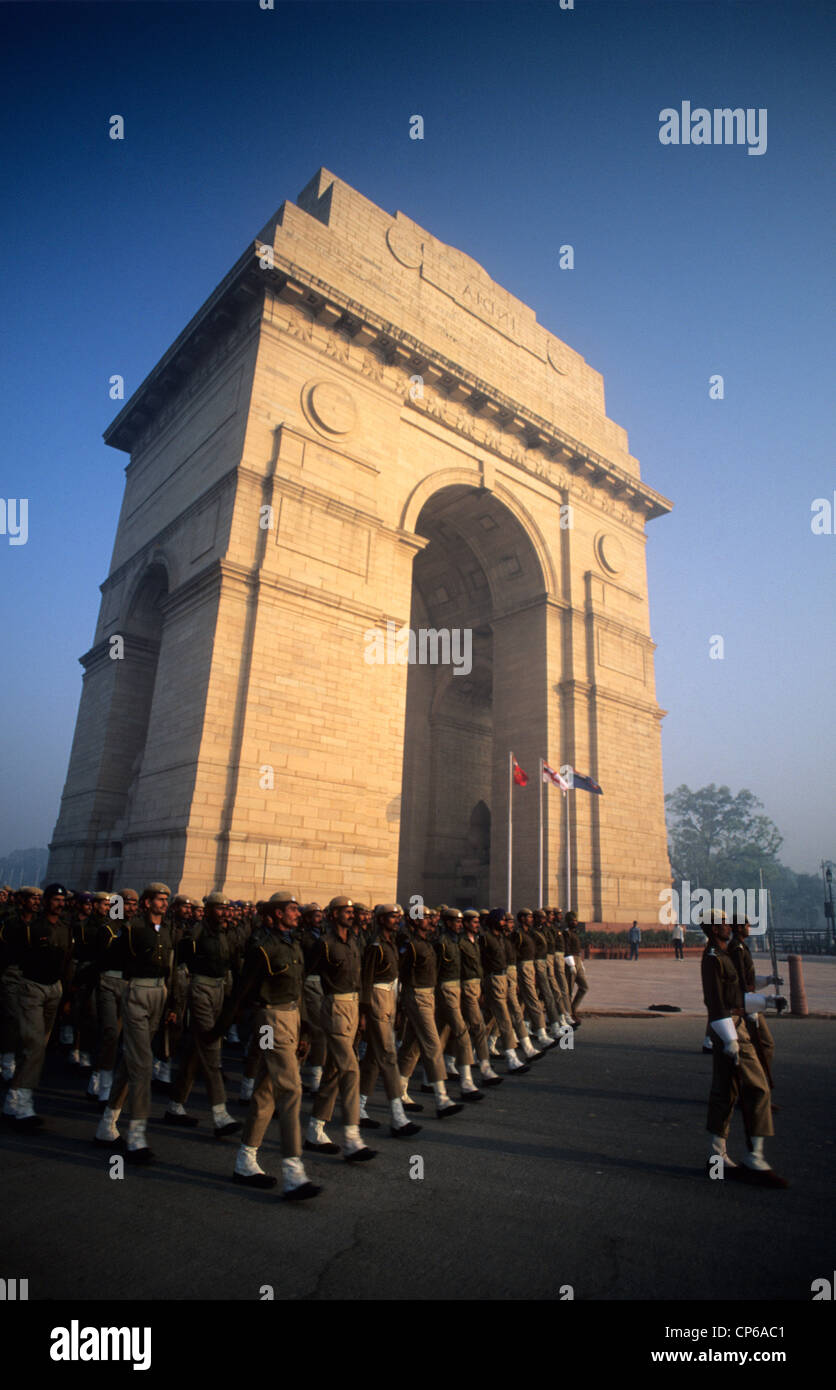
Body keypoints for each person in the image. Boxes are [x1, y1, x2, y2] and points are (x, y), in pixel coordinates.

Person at [222, 890, 321, 1200]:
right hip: (268, 1020)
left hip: (289, 1017)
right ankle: (293, 1170)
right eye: (292, 909)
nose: (297, 912)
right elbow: (243, 989)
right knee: (291, 1089)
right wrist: (222, 1025)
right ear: (277, 913)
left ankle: (245, 1159)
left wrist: (304, 1028)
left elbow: (297, 989)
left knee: (266, 1089)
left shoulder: (293, 944)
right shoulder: (261, 947)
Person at [700, 910, 787, 1186]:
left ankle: (721, 1158)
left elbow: (738, 995)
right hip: (729, 1029)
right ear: (714, 929)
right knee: (749, 1088)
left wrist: (769, 1001)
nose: (730, 927)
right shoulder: (713, 959)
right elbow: (716, 1003)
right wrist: (730, 1040)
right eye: (724, 924)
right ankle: (752, 1160)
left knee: (728, 1091)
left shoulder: (724, 954)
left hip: (735, 1025)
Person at [95, 883, 176, 1161]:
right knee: (142, 1063)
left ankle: (107, 1123)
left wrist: (172, 1003)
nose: (164, 904)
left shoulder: (166, 930)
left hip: (159, 992)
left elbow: (170, 968)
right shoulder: (131, 930)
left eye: (166, 900)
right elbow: (108, 958)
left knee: (132, 1061)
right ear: (146, 903)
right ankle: (137, 1134)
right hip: (137, 992)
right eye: (158, 900)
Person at [163, 891, 241, 1136]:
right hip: (199, 989)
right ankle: (220, 1114)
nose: (225, 913)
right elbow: (180, 967)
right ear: (207, 910)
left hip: (219, 990)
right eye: (219, 908)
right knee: (210, 1049)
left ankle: (175, 1105)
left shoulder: (226, 934)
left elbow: (229, 965)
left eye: (226, 909)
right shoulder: (195, 933)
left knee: (194, 1052)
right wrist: (177, 1005)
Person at [305, 896, 377, 1161]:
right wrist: (304, 1022)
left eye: (351, 911)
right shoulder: (323, 944)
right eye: (345, 912)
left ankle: (315, 1128)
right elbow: (303, 977)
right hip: (333, 1007)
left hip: (353, 1007)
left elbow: (359, 979)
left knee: (334, 1071)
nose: (351, 915)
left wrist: (362, 1014)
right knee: (350, 1069)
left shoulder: (356, 941)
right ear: (333, 915)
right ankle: (351, 1136)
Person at [2, 883, 73, 1128]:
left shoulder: (65, 928)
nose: (60, 904)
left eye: (62, 901)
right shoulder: (30, 928)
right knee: (34, 1047)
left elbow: (67, 961)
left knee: (37, 1045)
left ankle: (13, 1096)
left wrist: (66, 995)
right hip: (31, 986)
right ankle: (22, 1104)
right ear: (46, 902)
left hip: (55, 988)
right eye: (55, 900)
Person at [358, 904, 422, 1137]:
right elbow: (366, 980)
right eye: (393, 917)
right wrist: (363, 1013)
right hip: (377, 997)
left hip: (390, 996)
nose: (397, 920)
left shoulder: (392, 941)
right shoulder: (375, 945)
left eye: (399, 917)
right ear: (382, 919)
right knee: (388, 1054)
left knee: (374, 1059)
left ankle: (359, 1106)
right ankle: (397, 1115)